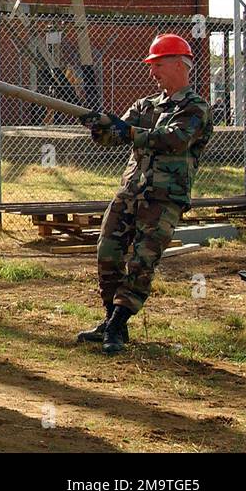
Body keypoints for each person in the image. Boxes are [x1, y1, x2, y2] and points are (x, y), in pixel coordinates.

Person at [76, 33, 212, 354]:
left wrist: (126, 130)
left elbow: (172, 139)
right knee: (107, 251)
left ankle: (117, 325)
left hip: (163, 200)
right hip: (130, 193)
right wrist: (99, 125)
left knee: (142, 262)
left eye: (158, 65)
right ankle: (112, 322)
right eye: (151, 66)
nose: (153, 72)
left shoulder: (196, 109)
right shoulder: (145, 105)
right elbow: (114, 137)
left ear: (180, 65)